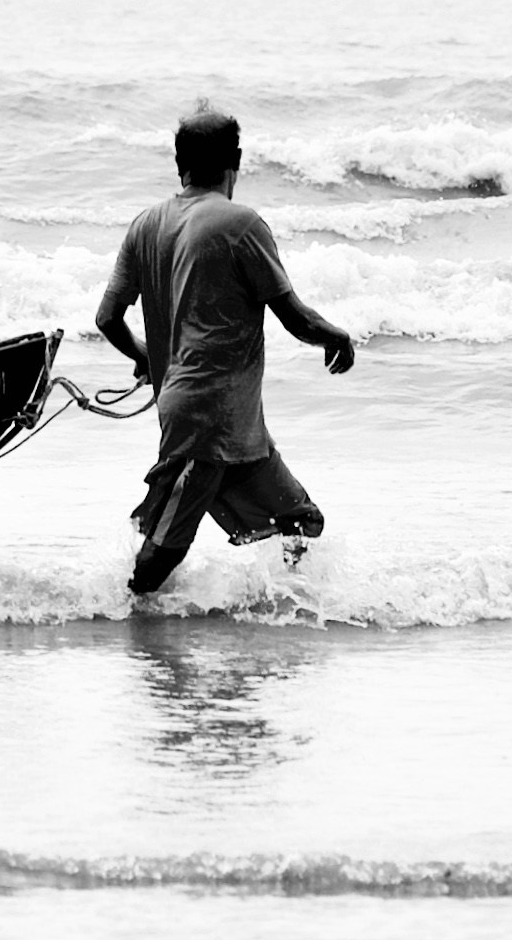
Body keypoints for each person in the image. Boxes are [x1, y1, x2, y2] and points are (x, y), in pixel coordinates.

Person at [88, 98, 358, 599]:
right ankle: (121, 617)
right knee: (167, 546)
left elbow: (107, 319)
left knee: (299, 521)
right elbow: (296, 319)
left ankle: (270, 615)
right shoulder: (240, 223)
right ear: (236, 161)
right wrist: (336, 335)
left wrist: (145, 357)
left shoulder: (146, 224)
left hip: (231, 422)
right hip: (207, 416)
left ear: (179, 163)